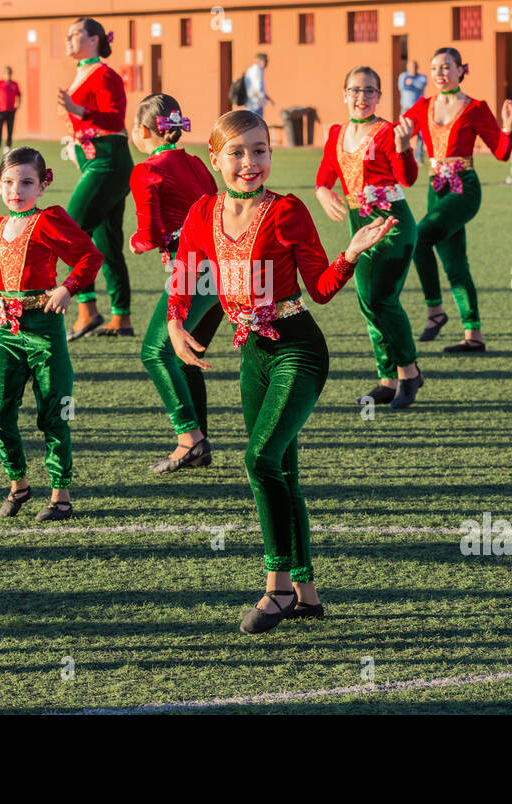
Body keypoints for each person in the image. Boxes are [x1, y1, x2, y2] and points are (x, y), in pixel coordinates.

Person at [166, 109, 394, 633]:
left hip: (299, 349)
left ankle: (277, 588)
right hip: (252, 354)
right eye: (238, 152)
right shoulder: (204, 211)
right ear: (215, 158)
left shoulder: (288, 210)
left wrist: (351, 254)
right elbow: (187, 269)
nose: (250, 162)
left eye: (260, 150)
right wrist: (177, 322)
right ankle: (309, 595)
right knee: (282, 472)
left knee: (260, 459)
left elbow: (320, 289)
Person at [0, 147, 102, 522]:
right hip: (8, 331)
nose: (15, 190)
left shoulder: (49, 220)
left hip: (45, 329)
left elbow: (90, 256)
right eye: (8, 182)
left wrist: (68, 287)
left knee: (53, 413)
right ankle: (18, 484)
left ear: (42, 185)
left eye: (26, 182)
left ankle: (61, 496)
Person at [126, 94, 224, 473]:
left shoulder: (147, 171)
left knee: (155, 352)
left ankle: (190, 437)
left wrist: (135, 244)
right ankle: (201, 445)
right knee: (186, 357)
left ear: (143, 130)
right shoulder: (196, 162)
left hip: (193, 270)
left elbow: (147, 236)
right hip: (221, 271)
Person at [316, 65, 423, 407]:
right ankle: (387, 379)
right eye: (355, 90)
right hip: (359, 226)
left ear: (379, 96)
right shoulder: (336, 132)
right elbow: (325, 175)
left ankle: (409, 371)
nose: (361, 97)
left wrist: (405, 147)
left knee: (381, 299)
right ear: (344, 94)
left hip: (392, 224)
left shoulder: (387, 131)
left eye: (369, 91)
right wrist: (322, 192)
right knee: (366, 302)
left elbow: (406, 178)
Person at [401, 47, 512, 353]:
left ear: (460, 70)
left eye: (446, 67)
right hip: (435, 186)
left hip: (464, 186)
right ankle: (473, 334)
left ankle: (434, 311)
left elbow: (501, 152)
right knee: (454, 262)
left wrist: (507, 125)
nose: (440, 73)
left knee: (418, 236)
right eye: (434, 68)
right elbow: (395, 138)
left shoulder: (476, 107)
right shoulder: (421, 106)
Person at [58, 16, 135, 341]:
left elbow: (116, 117)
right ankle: (122, 317)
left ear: (94, 39)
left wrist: (80, 111)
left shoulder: (105, 74)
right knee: (106, 243)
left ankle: (87, 308)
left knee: (71, 230)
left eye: (75, 34)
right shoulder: (85, 71)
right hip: (97, 161)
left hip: (108, 161)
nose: (68, 39)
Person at [397, 60, 428, 162]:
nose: (412, 68)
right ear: (407, 67)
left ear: (417, 67)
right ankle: (403, 156)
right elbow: (402, 86)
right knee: (403, 132)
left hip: (419, 110)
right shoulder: (403, 76)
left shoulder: (422, 77)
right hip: (405, 109)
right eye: (410, 66)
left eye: (414, 66)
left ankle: (419, 158)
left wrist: (412, 83)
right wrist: (414, 86)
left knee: (420, 134)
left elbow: (421, 84)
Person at [0, 66, 21, 154]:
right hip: (0, 110)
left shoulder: (15, 84)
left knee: (10, 128)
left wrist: (18, 105)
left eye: (9, 73)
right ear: (4, 74)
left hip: (11, 110)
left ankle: (7, 146)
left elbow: (19, 95)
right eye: (6, 73)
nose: (8, 75)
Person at [243, 53, 272, 117]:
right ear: (260, 61)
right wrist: (266, 98)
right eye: (266, 61)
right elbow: (258, 88)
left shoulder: (250, 69)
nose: (267, 63)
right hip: (256, 104)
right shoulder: (257, 70)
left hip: (250, 103)